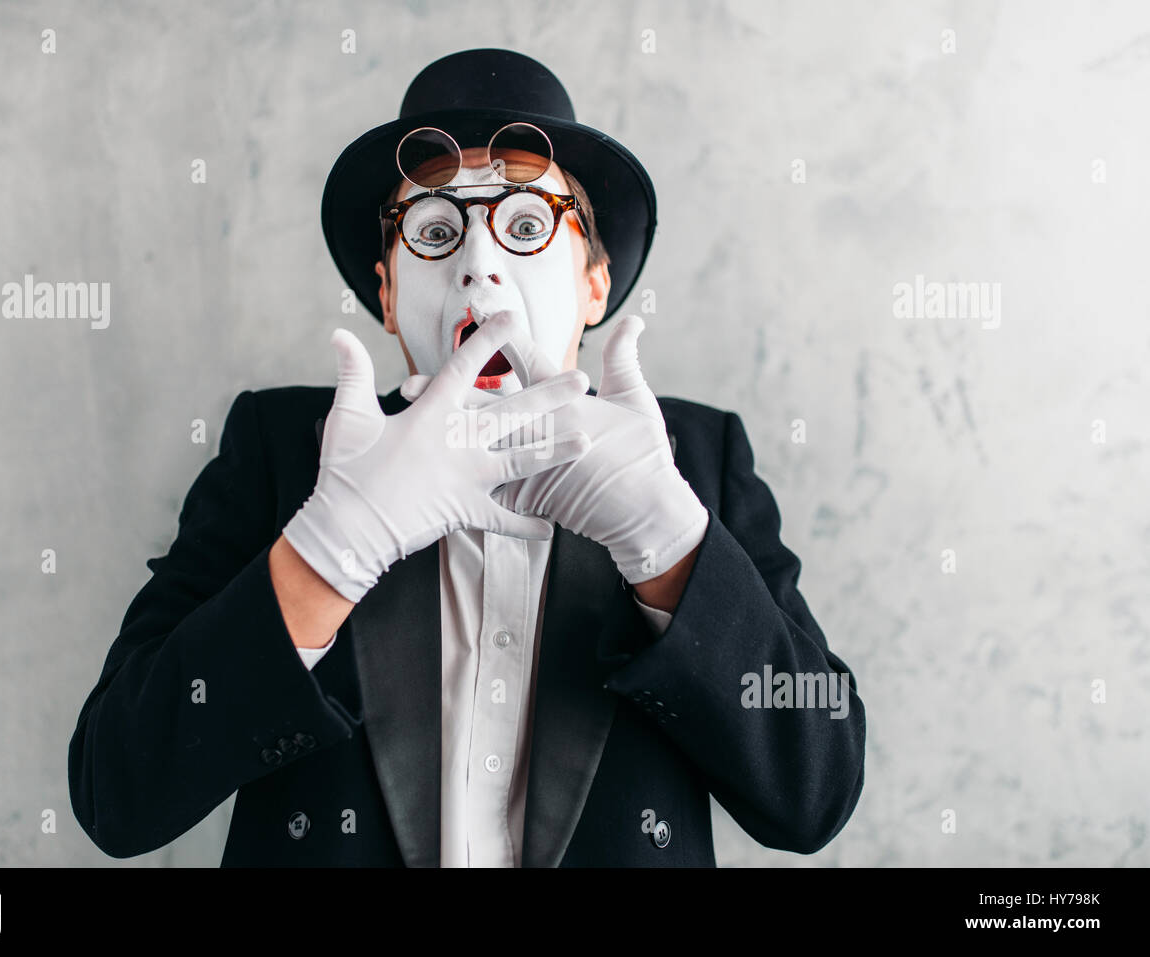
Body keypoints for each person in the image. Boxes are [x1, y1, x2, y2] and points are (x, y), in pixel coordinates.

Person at [68, 48, 866, 867]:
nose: (479, 267)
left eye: (526, 226)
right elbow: (116, 792)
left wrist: (670, 549)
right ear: (387, 294)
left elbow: (816, 792)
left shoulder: (696, 461)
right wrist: (336, 545)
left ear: (596, 284)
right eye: (438, 230)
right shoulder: (281, 455)